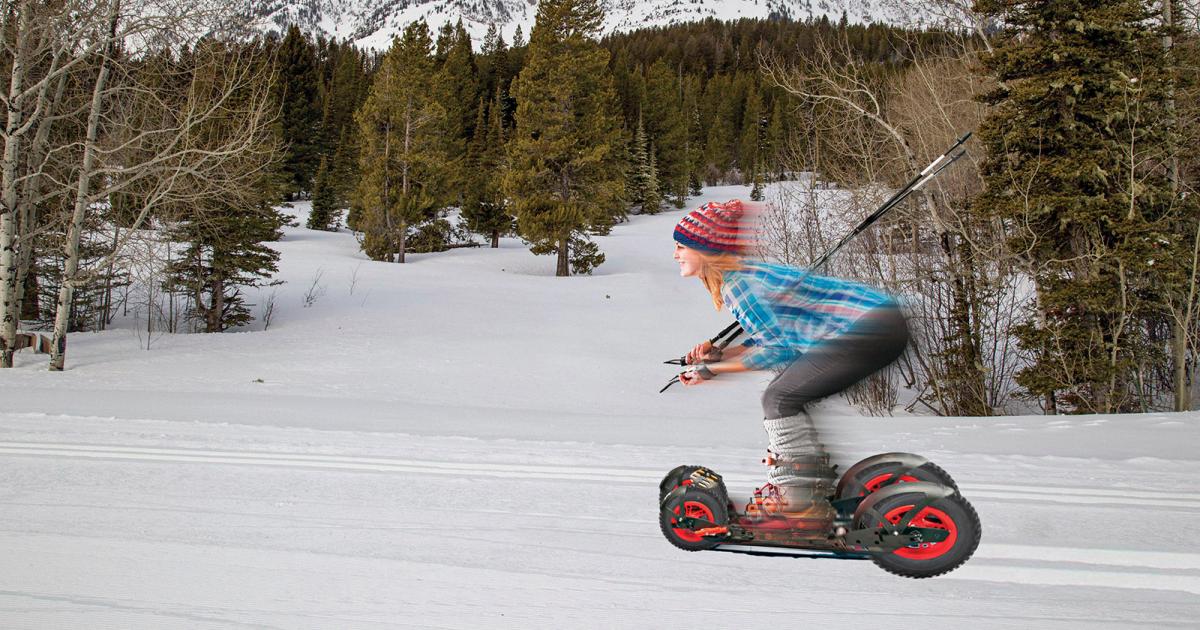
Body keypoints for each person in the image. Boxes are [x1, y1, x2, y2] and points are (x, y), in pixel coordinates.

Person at [672, 199, 910, 534]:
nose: (675, 254)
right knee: (786, 391)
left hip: (866, 330)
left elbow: (778, 350)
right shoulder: (743, 278)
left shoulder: (739, 285)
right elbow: (772, 336)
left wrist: (713, 372)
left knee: (779, 397)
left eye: (681, 246)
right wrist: (719, 357)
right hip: (877, 325)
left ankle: (799, 502)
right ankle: (811, 489)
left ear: (705, 248)